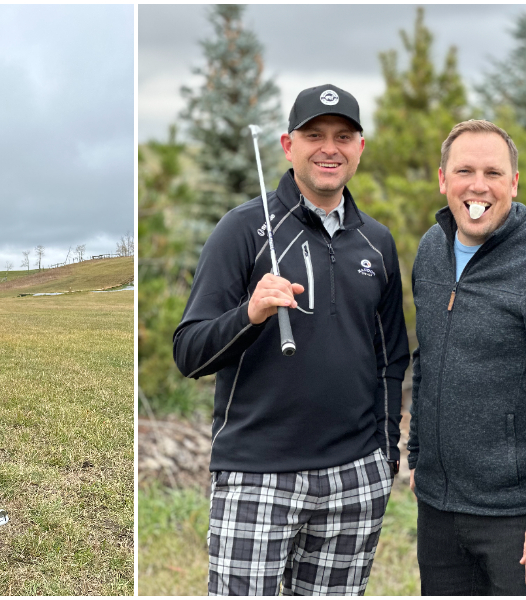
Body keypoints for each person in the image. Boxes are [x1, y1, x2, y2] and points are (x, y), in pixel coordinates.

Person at [173, 84, 410, 596]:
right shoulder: (242, 230)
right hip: (258, 474)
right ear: (287, 145)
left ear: (360, 147)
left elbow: (391, 359)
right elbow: (189, 353)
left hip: (354, 477)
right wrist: (250, 314)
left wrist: (384, 455)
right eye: (314, 135)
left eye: (343, 136)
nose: (330, 148)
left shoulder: (378, 242)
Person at [407, 119, 526, 595]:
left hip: (520, 521)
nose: (478, 186)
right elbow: (427, 359)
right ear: (442, 179)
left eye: (493, 173)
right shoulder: (431, 251)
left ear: (514, 182)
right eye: (464, 170)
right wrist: (417, 458)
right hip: (438, 512)